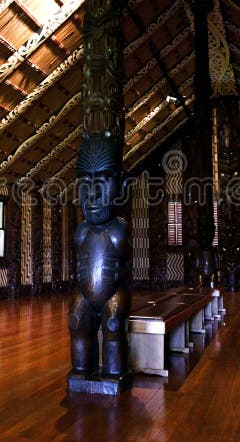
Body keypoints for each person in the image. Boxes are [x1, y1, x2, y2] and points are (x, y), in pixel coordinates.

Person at [68, 134, 131, 378]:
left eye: (103, 181)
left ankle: (114, 371)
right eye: (85, 183)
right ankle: (82, 368)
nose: (92, 195)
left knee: (113, 326)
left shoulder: (118, 230)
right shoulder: (81, 232)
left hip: (112, 295)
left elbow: (124, 267)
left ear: (121, 185)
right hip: (83, 294)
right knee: (76, 320)